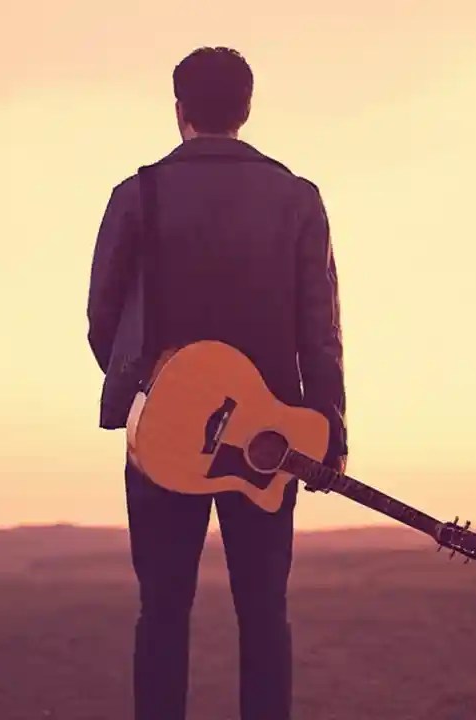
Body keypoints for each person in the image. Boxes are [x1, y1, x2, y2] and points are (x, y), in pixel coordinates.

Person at [86, 46, 347, 720]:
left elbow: (100, 322)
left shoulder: (136, 194)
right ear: (247, 109)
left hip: (162, 443)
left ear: (179, 111)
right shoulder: (298, 199)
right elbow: (320, 334)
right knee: (264, 614)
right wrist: (330, 433)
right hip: (269, 444)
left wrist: (160, 396)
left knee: (163, 612)